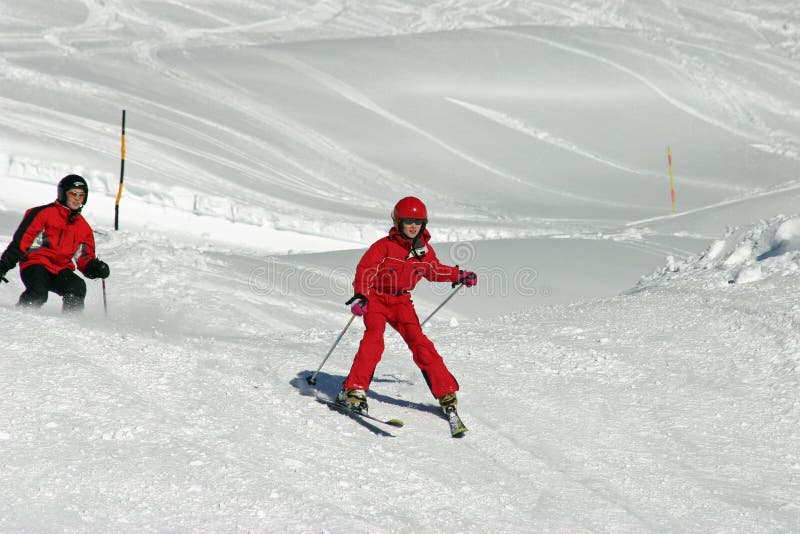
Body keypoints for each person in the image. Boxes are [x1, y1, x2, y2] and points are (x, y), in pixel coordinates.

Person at [337, 196, 477, 416]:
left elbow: (433, 270)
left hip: (401, 301)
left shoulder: (424, 251)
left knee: (419, 341)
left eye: (418, 221)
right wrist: (361, 296)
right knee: (374, 339)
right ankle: (353, 390)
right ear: (398, 222)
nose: (413, 226)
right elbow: (366, 270)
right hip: (377, 298)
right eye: (409, 221)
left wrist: (458, 275)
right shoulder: (384, 247)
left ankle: (445, 392)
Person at [0, 174, 110, 312]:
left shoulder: (84, 228)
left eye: (81, 195)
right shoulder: (43, 214)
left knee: (77, 286)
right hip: (36, 264)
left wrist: (95, 268)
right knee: (38, 293)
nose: (77, 198)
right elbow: (21, 242)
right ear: (63, 194)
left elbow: (85, 259)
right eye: (73, 194)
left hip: (60, 269)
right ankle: (21, 315)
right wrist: (3, 266)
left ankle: (71, 323)